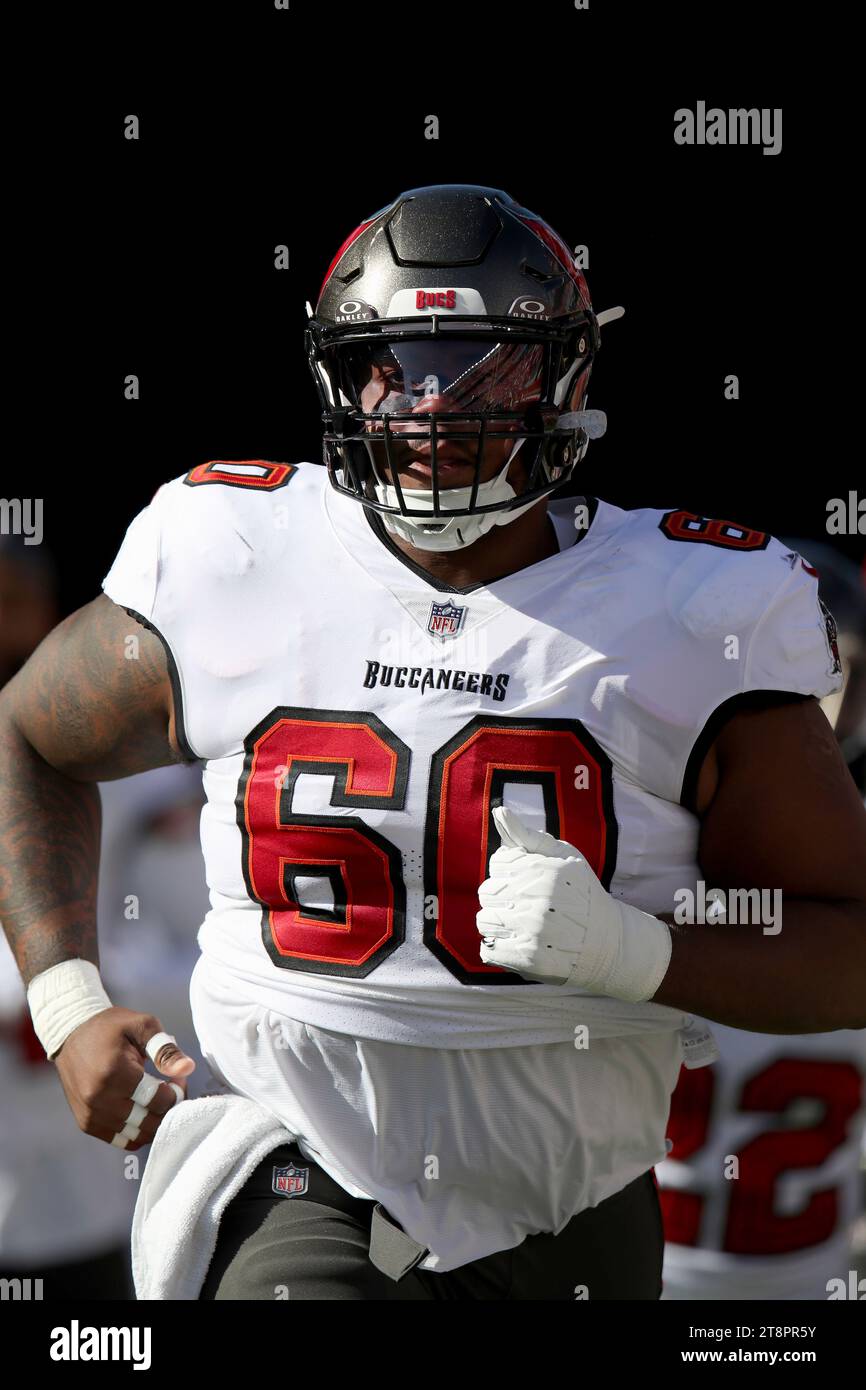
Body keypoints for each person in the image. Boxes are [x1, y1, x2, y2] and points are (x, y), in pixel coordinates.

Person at [1, 184, 864, 1301]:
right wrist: (66, 999)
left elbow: (849, 942)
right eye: (386, 362)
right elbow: (30, 732)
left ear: (565, 376)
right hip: (295, 1163)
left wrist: (636, 954)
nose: (420, 405)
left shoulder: (698, 611)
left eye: (474, 365)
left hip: (575, 1191)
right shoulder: (230, 552)